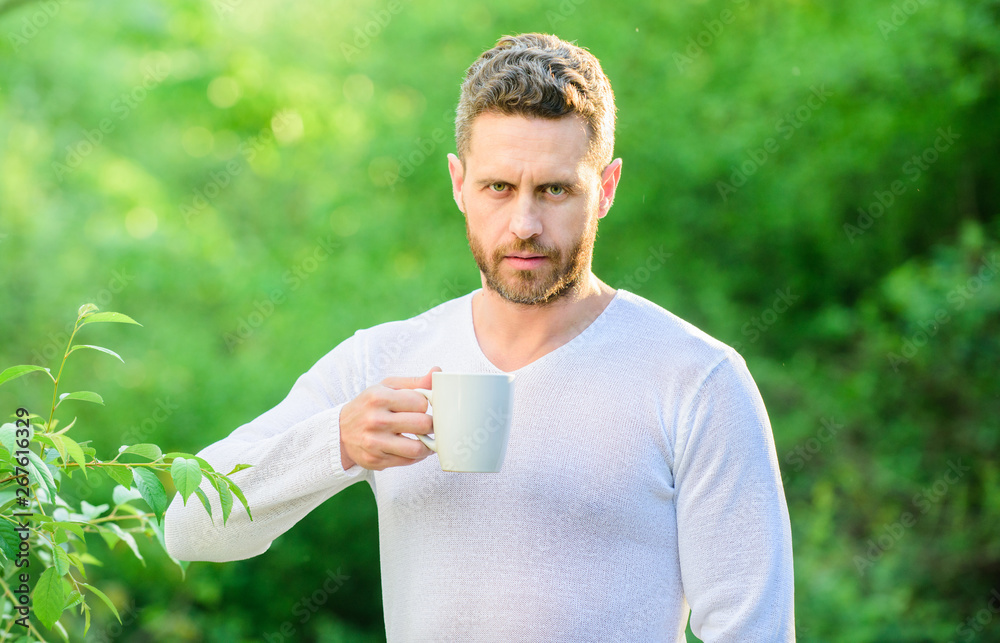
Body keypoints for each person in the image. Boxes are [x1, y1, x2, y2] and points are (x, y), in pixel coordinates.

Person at [164, 32, 795, 641]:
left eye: (554, 189)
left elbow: (753, 632)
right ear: (458, 183)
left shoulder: (695, 379)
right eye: (499, 187)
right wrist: (338, 442)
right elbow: (190, 528)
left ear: (604, 188)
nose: (524, 224)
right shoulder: (382, 362)